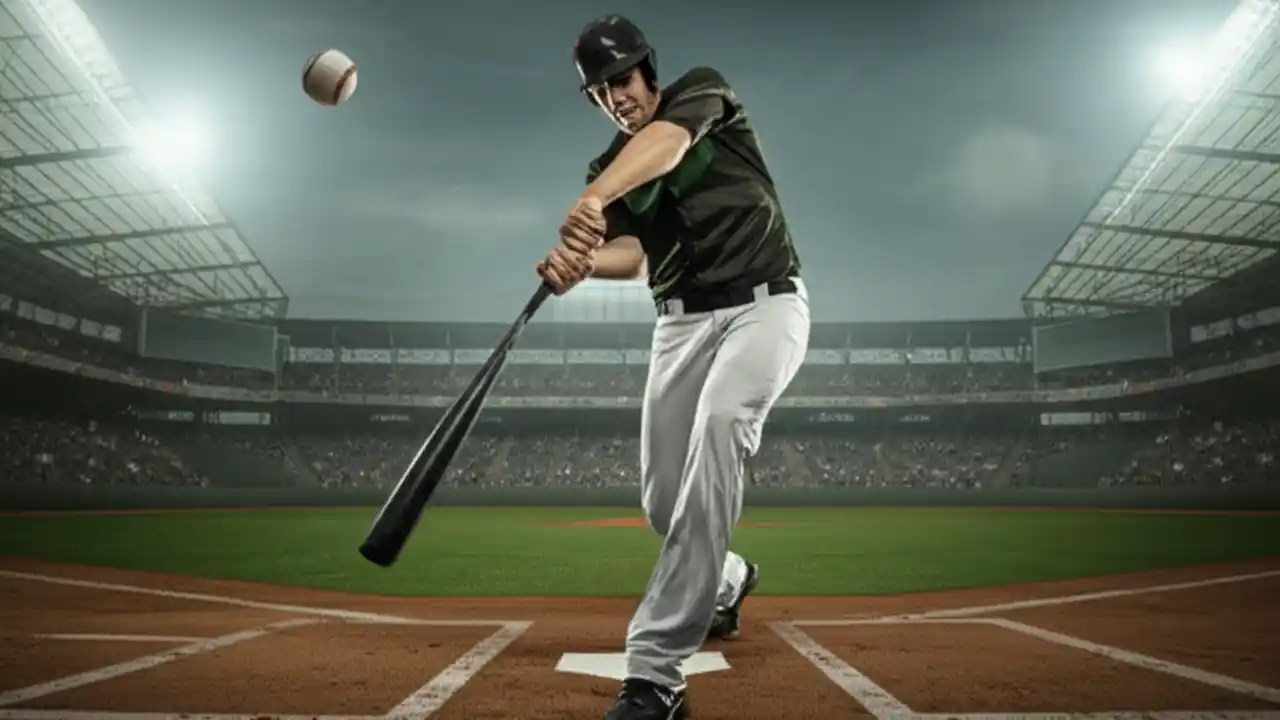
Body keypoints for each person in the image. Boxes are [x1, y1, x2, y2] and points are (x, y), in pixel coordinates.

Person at [536, 14, 810, 720]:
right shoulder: (604, 171)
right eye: (599, 91)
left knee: (722, 426)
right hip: (680, 323)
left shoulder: (702, 93)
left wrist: (592, 202)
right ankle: (730, 576)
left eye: (621, 80)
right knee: (663, 502)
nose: (614, 99)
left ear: (648, 71)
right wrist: (580, 266)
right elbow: (632, 257)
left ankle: (655, 672)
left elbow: (665, 144)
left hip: (764, 305)